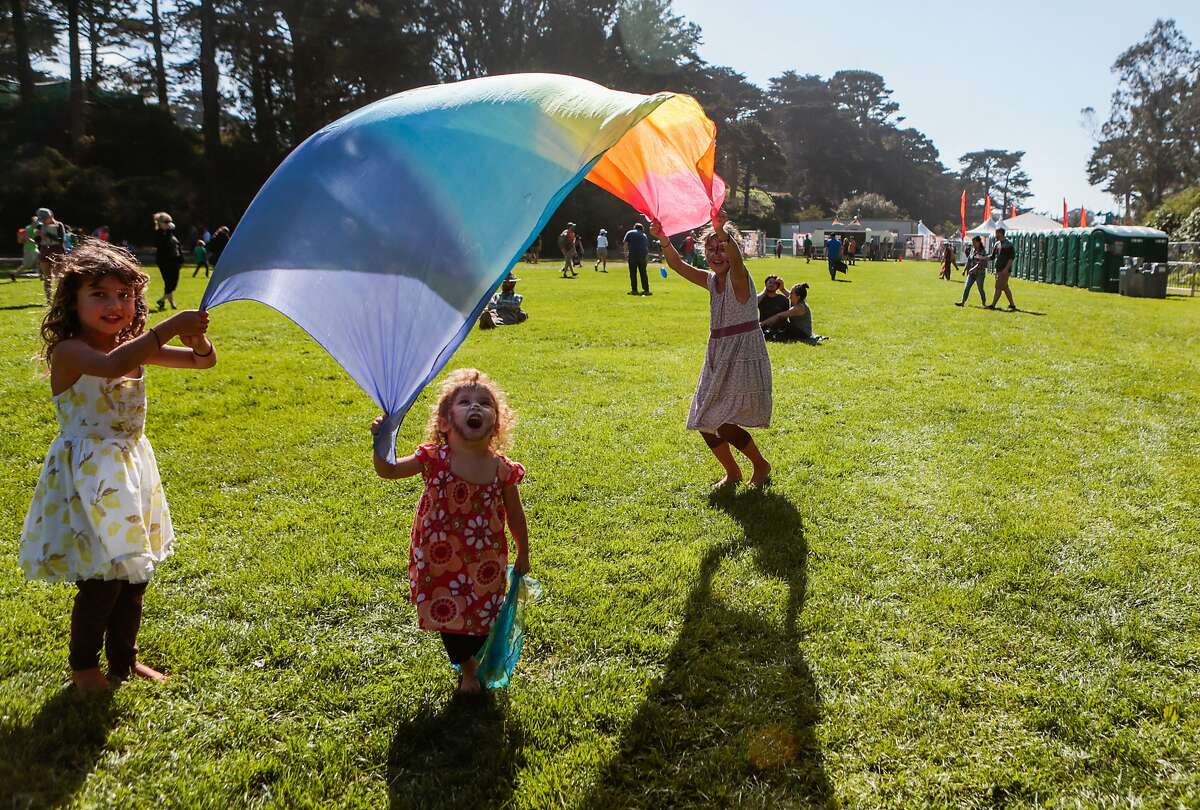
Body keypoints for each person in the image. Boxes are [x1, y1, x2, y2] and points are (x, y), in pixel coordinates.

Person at [18, 240, 215, 693]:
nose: (115, 305)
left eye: (124, 295)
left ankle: (125, 660)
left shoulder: (131, 346)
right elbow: (109, 368)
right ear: (71, 300)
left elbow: (203, 363)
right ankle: (84, 666)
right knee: (101, 578)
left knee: (133, 576)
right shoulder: (70, 351)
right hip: (88, 473)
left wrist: (197, 338)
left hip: (128, 469)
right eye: (100, 294)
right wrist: (168, 328)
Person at [369, 368, 530, 697]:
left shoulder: (501, 470)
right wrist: (382, 440)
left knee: (482, 612)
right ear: (444, 421)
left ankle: (474, 652)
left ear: (496, 423)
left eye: (485, 403)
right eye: (466, 401)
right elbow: (388, 470)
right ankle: (468, 670)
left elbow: (514, 513)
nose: (476, 407)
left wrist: (523, 551)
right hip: (438, 557)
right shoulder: (434, 458)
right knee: (448, 613)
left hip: (485, 559)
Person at [651, 211, 772, 488]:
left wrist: (720, 230)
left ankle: (760, 465)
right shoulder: (710, 280)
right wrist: (664, 240)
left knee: (722, 419)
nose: (717, 254)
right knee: (702, 417)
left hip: (741, 355)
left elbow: (737, 262)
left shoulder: (739, 278)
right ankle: (732, 472)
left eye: (722, 248)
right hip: (718, 354)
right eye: (711, 249)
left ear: (733, 250)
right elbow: (679, 266)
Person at [760, 283, 827, 343]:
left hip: (803, 334)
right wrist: (782, 288)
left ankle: (767, 334)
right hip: (796, 330)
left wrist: (762, 324)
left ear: (798, 296)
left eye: (792, 293)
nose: (790, 294)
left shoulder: (799, 308)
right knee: (781, 327)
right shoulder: (795, 300)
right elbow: (787, 294)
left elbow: (779, 316)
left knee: (783, 322)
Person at [35, 208, 69, 303]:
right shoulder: (40, 226)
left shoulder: (59, 225)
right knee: (47, 278)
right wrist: (38, 235)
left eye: (45, 219)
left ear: (51, 216)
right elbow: (37, 241)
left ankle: (61, 298)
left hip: (57, 251)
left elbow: (61, 240)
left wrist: (47, 234)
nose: (43, 222)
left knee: (59, 277)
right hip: (44, 251)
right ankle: (49, 300)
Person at [152, 212, 184, 311]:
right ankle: (171, 303)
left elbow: (177, 246)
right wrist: (168, 232)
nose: (169, 223)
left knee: (173, 283)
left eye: (170, 221)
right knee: (169, 283)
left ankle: (162, 300)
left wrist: (181, 258)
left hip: (175, 261)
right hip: (165, 261)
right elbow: (163, 245)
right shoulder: (159, 234)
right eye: (166, 221)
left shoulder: (171, 233)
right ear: (160, 223)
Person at [986, 227, 1018, 311]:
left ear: (1000, 233)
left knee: (998, 287)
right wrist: (983, 258)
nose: (996, 235)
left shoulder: (1009, 244)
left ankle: (993, 305)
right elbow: (992, 257)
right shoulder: (997, 244)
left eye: (997, 233)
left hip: (1004, 270)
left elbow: (1011, 258)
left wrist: (1006, 269)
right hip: (998, 269)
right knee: (1005, 287)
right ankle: (1012, 305)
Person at [955, 235, 989, 307]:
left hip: (980, 273)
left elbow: (981, 263)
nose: (973, 244)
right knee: (967, 287)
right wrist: (964, 270)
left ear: (979, 242)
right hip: (971, 274)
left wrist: (973, 268)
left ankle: (984, 302)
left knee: (980, 289)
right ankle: (962, 302)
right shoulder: (972, 250)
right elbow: (969, 261)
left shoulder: (983, 251)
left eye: (974, 242)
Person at [623, 222, 651, 296]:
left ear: (634, 227)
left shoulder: (629, 233)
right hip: (642, 255)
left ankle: (634, 290)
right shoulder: (644, 235)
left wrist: (626, 254)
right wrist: (646, 258)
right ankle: (646, 290)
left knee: (633, 273)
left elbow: (625, 244)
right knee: (643, 273)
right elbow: (646, 247)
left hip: (633, 255)